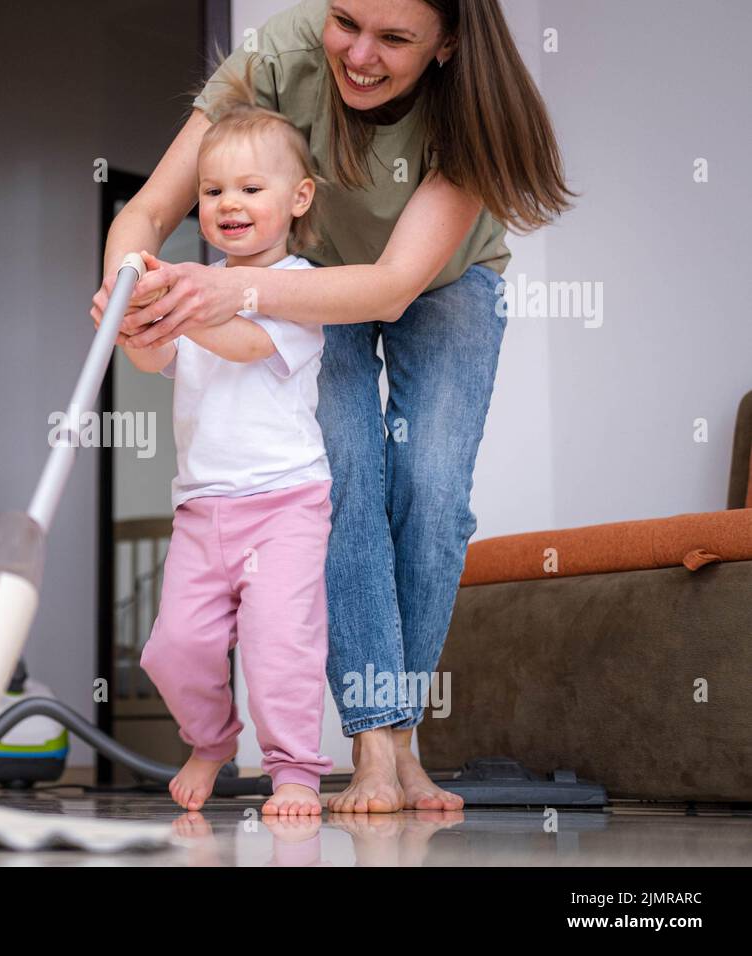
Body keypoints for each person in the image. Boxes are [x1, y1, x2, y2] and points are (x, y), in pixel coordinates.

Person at [92, 0, 573, 813]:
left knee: (431, 492)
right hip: (310, 282)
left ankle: (401, 738)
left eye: (393, 40)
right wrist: (126, 290)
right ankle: (371, 744)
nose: (357, 54)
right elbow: (145, 212)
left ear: (449, 42)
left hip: (441, 281)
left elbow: (390, 289)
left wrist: (233, 287)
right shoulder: (283, 51)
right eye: (346, 20)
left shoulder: (474, 109)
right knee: (342, 471)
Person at [102, 57, 334, 816]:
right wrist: (131, 318)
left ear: (297, 199)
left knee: (278, 649)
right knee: (173, 649)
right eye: (210, 192)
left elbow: (245, 344)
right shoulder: (196, 288)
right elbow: (153, 359)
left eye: (249, 189)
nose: (227, 204)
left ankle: (294, 769)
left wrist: (184, 301)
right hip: (203, 510)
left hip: (285, 503)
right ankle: (209, 738)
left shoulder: (299, 287)